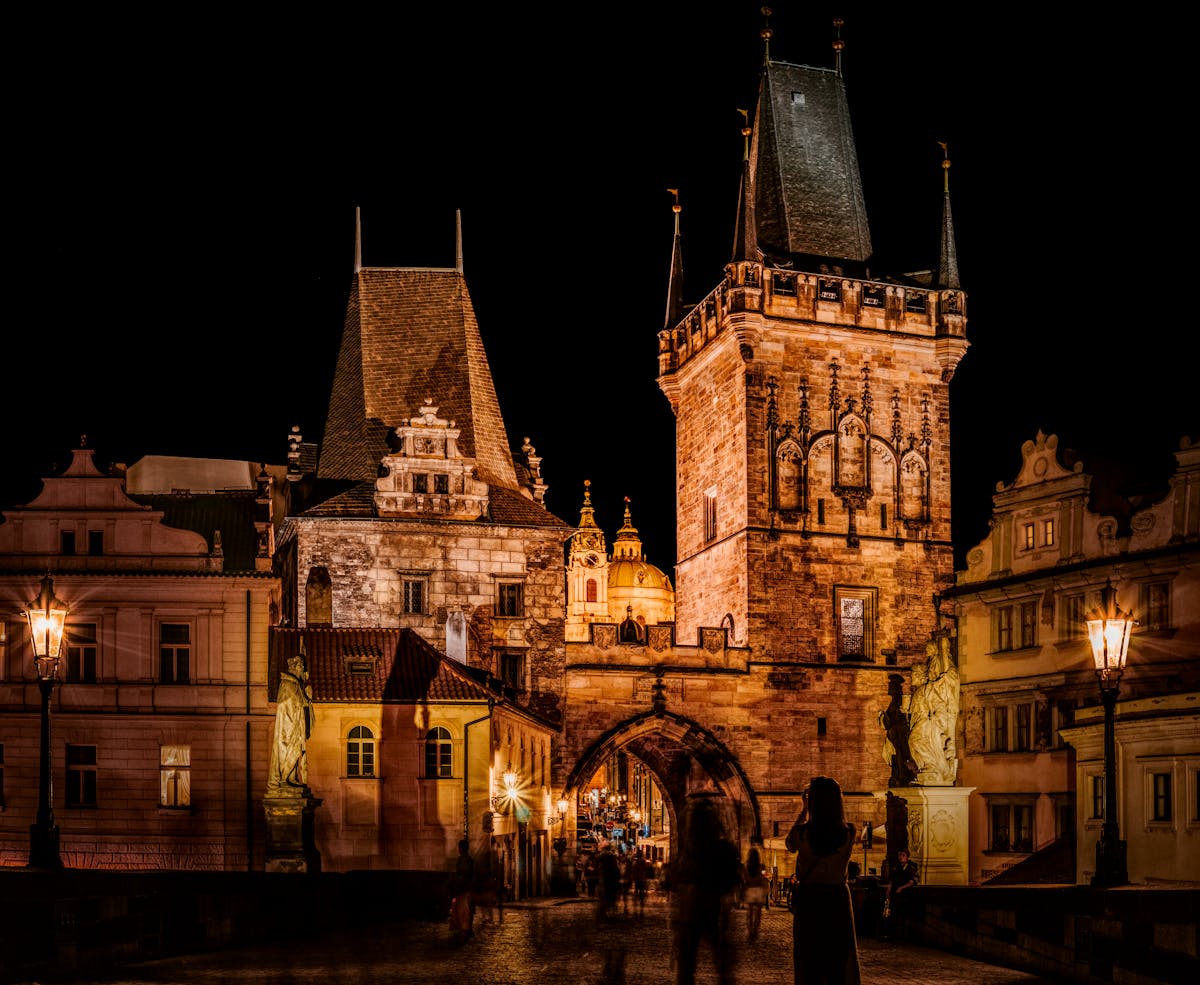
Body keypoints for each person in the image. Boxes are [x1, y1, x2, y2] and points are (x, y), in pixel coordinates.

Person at [785, 776, 861, 985]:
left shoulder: (802, 834)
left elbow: (789, 844)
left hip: (810, 897)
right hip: (837, 898)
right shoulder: (849, 832)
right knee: (839, 953)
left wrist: (803, 810)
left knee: (809, 954)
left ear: (813, 802)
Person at [670, 790, 741, 985]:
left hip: (688, 918)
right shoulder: (722, 849)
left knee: (686, 970)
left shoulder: (686, 855)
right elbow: (729, 884)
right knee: (722, 967)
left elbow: (675, 884)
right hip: (711, 913)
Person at [268, 653, 315, 793]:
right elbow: (296, 703)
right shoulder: (288, 683)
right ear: (294, 668)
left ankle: (292, 777)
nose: (303, 671)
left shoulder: (295, 684)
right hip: (288, 727)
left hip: (294, 724)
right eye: (301, 667)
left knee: (296, 750)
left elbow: (302, 703)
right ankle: (285, 778)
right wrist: (305, 697)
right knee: (291, 749)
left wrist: (307, 696)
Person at [882, 848, 919, 940]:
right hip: (895, 894)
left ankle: (901, 936)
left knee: (901, 916)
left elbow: (911, 882)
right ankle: (891, 934)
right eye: (900, 855)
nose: (901, 857)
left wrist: (901, 888)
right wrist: (888, 891)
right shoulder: (896, 867)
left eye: (903, 855)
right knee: (891, 914)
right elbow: (892, 881)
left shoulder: (909, 868)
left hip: (904, 896)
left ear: (907, 857)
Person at [450, 839, 476, 943]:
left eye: (459, 848)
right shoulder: (468, 860)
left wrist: (460, 881)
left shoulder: (464, 861)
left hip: (464, 889)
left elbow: (463, 874)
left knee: (464, 910)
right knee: (466, 910)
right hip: (465, 888)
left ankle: (465, 930)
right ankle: (466, 929)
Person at [741, 846, 768, 942]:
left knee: (749, 914)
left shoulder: (745, 866)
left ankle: (749, 931)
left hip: (749, 890)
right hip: (758, 891)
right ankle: (755, 931)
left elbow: (744, 880)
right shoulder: (761, 866)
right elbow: (764, 878)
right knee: (758, 914)